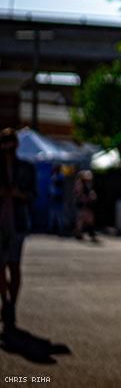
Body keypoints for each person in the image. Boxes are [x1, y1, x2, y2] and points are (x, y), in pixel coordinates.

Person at [0, 128, 36, 335]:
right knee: (0, 265)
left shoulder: (26, 168)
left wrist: (19, 194)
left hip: (17, 221)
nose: (7, 146)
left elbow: (33, 194)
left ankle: (11, 305)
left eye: (9, 141)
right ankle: (5, 302)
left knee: (14, 265)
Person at [72, 169, 97, 242]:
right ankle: (83, 233)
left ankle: (80, 233)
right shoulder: (80, 182)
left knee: (85, 218)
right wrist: (85, 200)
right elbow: (80, 193)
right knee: (84, 218)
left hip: (85, 203)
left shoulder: (86, 183)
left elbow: (88, 192)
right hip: (82, 203)